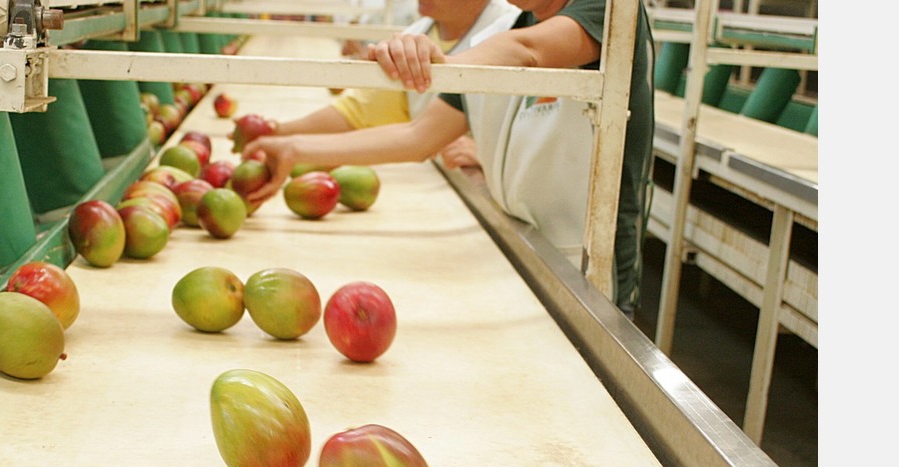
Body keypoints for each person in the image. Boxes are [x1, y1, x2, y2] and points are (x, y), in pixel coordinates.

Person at [243, 0, 654, 316]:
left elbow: (528, 51)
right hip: (521, 250)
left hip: (588, 270)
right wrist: (294, 150)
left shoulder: (611, 12)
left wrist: (439, 63)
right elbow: (418, 136)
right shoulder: (500, 33)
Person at [271, 0, 518, 170]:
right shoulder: (417, 34)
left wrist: (491, 156)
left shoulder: (512, 31)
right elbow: (361, 112)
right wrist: (277, 133)